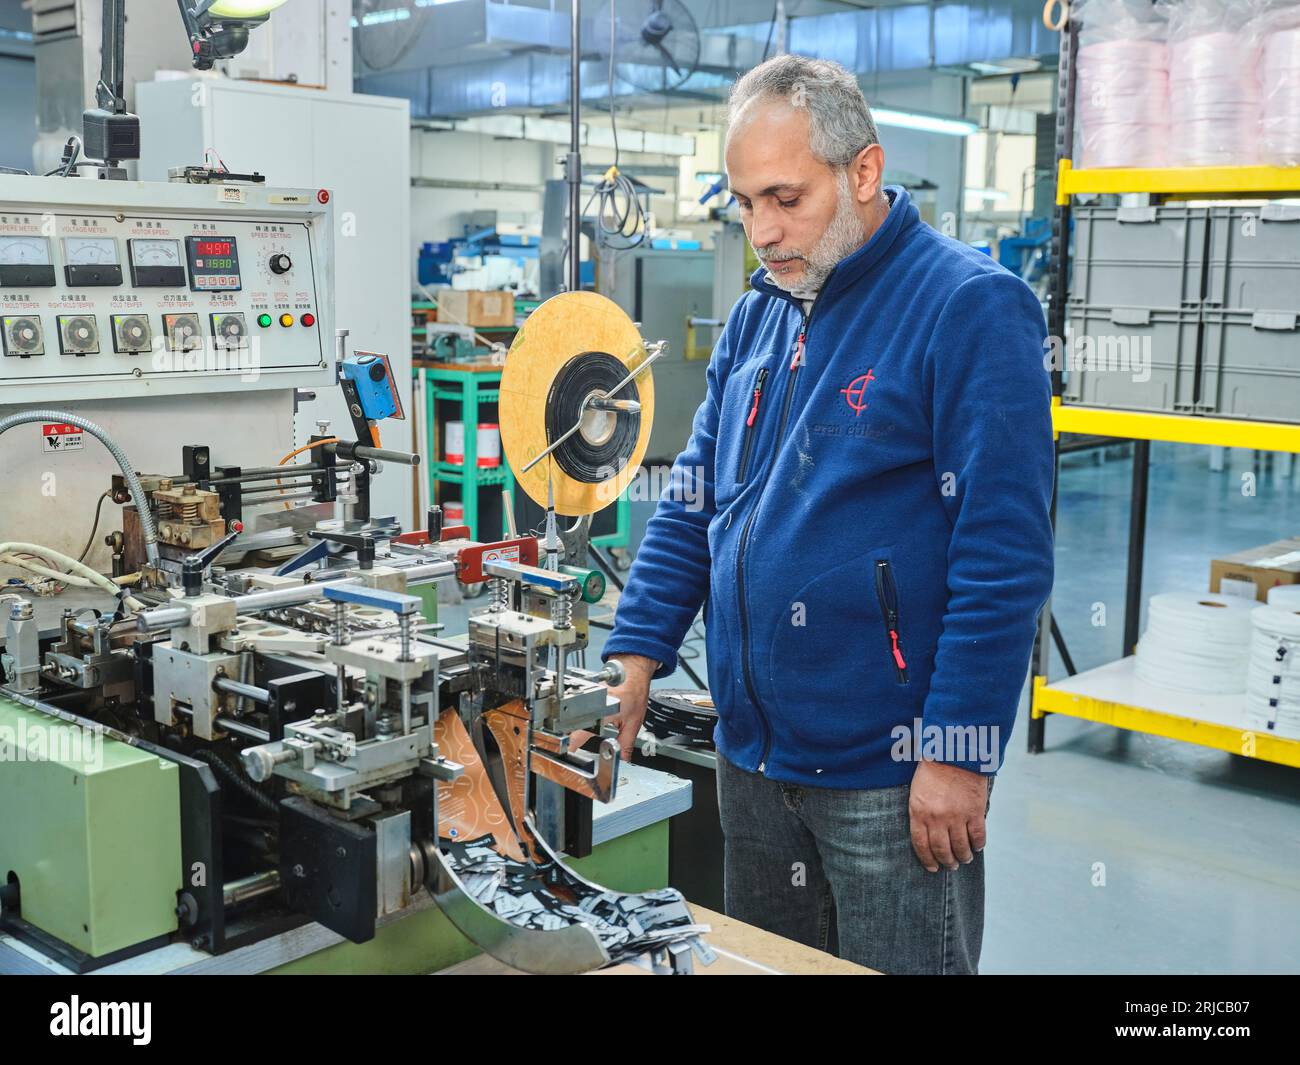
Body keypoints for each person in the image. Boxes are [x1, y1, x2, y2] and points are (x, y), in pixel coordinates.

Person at [598, 54, 1055, 975]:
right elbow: (693, 500)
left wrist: (960, 753)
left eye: (785, 198)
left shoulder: (968, 308)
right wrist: (634, 652)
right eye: (744, 203)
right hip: (754, 761)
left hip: (889, 777)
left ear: (864, 172)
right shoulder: (759, 316)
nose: (762, 232)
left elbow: (1003, 556)